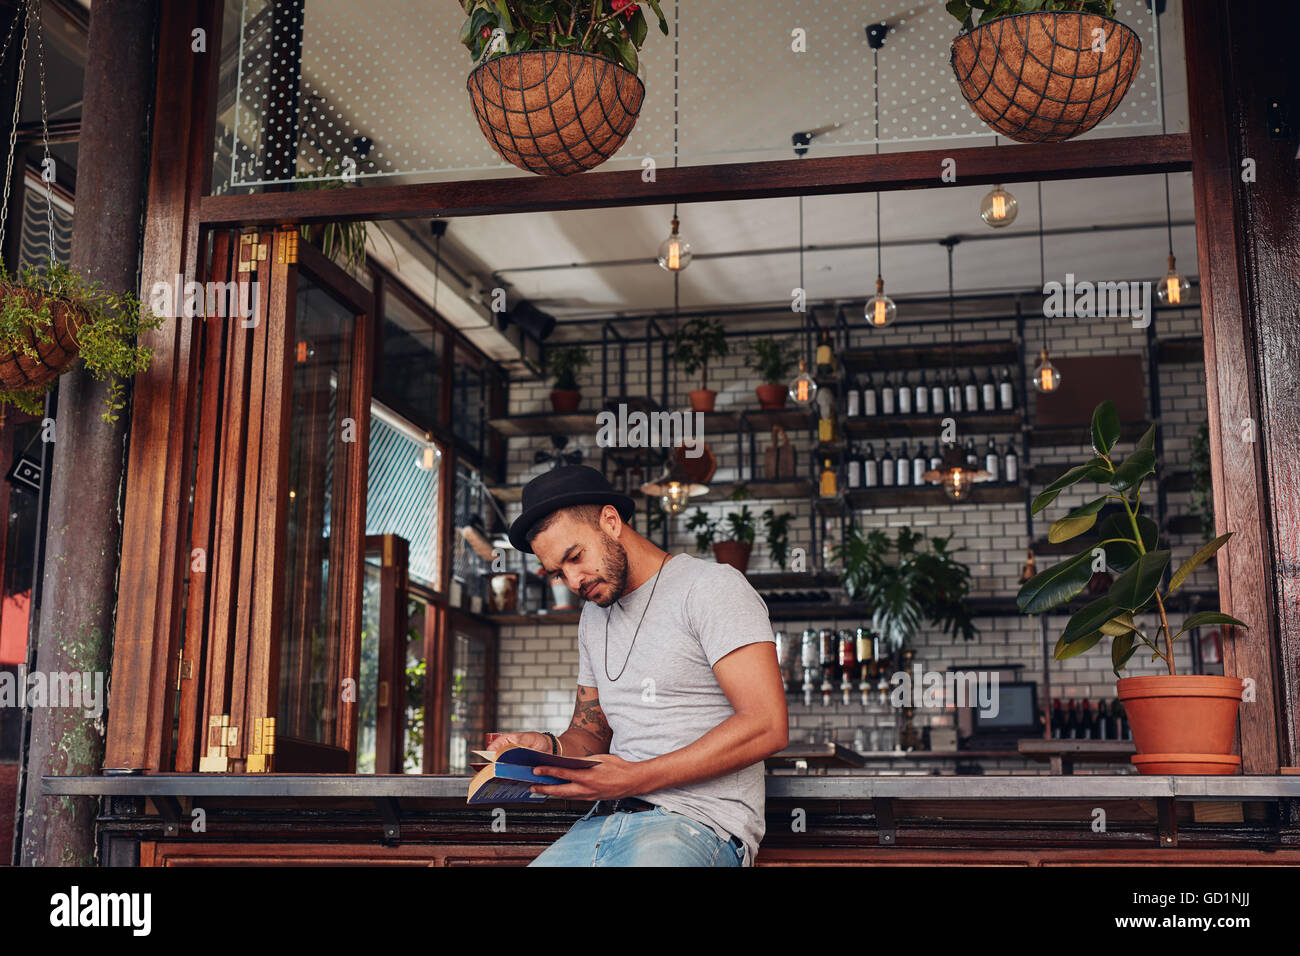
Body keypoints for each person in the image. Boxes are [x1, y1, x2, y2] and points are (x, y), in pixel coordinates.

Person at [488, 464, 787, 867]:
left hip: (698, 825)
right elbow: (590, 734)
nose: (574, 581)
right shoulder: (593, 617)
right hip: (601, 825)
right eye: (559, 572)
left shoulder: (712, 587)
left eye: (575, 557)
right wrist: (548, 747)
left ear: (611, 521)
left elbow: (767, 724)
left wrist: (635, 777)